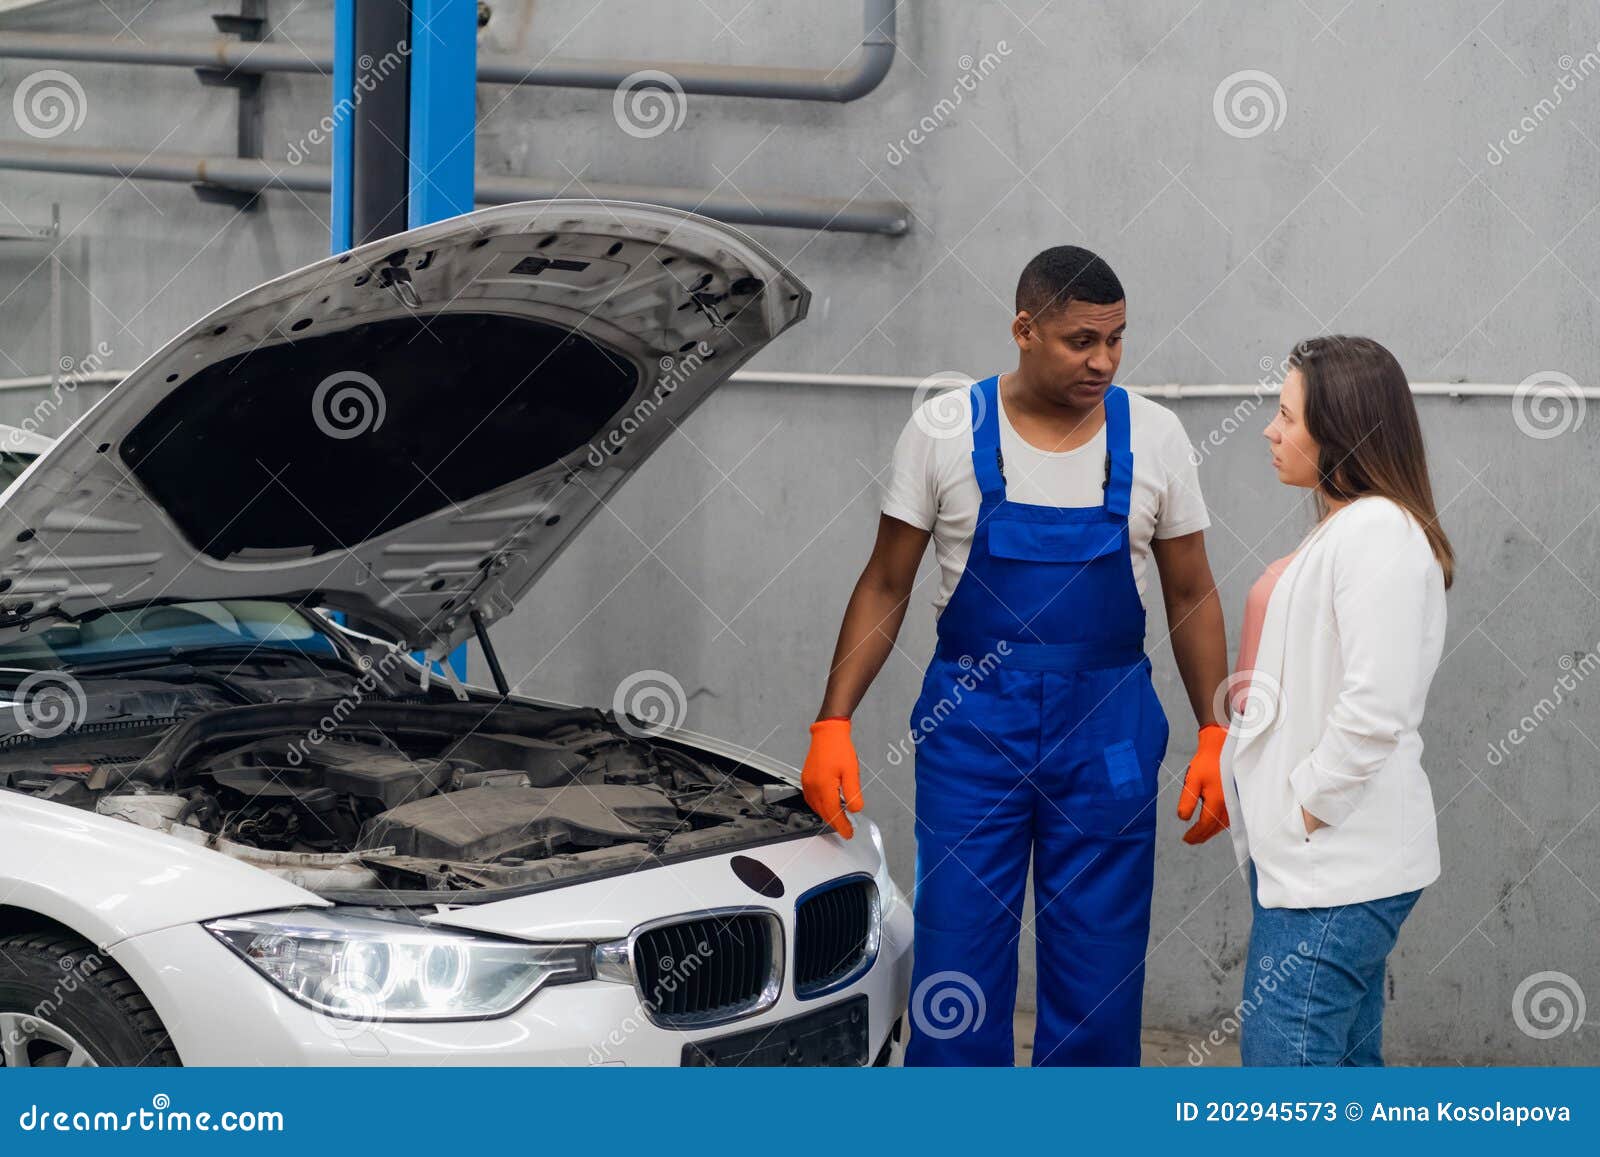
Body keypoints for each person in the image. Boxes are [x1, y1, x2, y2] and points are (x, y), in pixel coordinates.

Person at [800, 246, 1231, 1066]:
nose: (1102, 360)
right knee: (957, 957)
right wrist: (833, 720)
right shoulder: (944, 429)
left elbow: (1190, 591)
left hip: (1107, 733)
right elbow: (887, 581)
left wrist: (1216, 732)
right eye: (1080, 340)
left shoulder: (1156, 436)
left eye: (1117, 339)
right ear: (1024, 330)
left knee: (1100, 967)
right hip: (973, 729)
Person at [1220, 335, 1453, 1066]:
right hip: (1325, 864)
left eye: (1287, 416)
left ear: (1343, 431)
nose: (1271, 430)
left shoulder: (1377, 530)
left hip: (1332, 870)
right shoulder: (1351, 529)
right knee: (1346, 1073)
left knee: (1284, 1074)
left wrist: (1305, 809)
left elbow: (1375, 706)